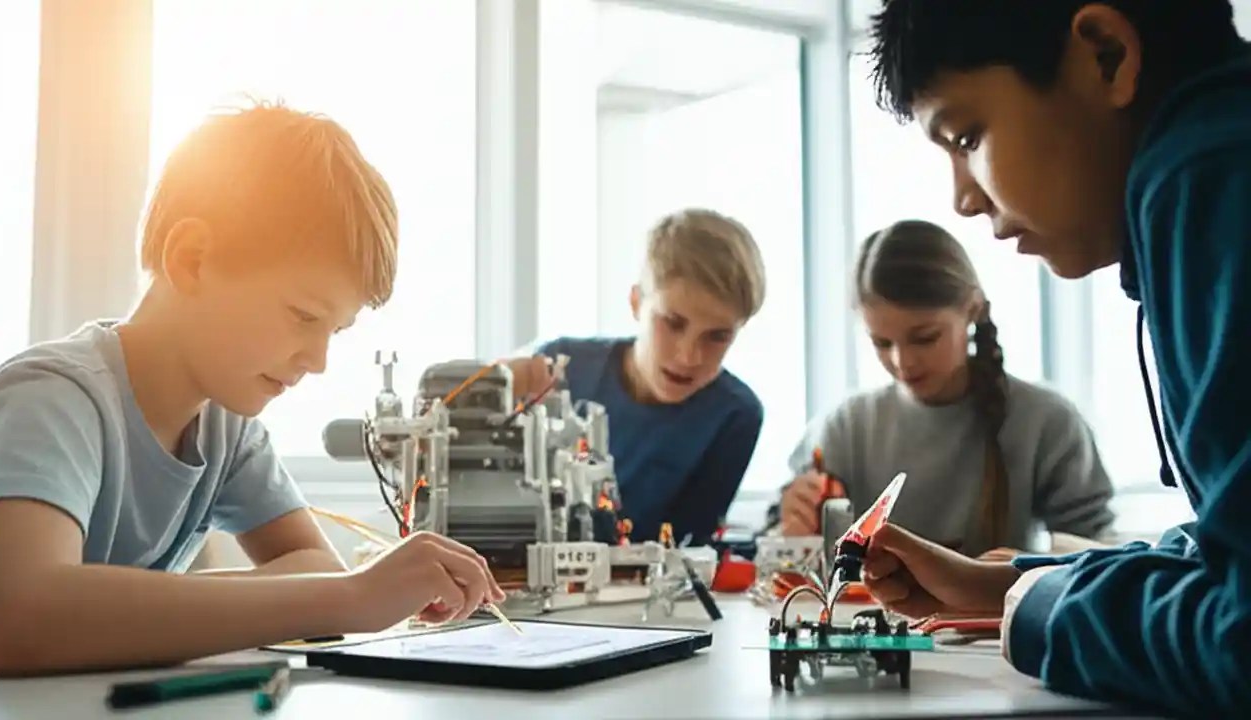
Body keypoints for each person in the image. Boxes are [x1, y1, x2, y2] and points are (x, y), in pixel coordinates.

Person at [0, 103, 503, 677]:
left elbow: (313, 563)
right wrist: (351, 597)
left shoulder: (226, 426)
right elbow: (18, 623)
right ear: (192, 260)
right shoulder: (49, 399)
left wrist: (114, 606)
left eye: (335, 331)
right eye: (302, 315)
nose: (318, 361)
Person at [856, 1, 1251, 714]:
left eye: (968, 135)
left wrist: (1045, 611)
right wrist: (1013, 583)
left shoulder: (1211, 175)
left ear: (1106, 55)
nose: (962, 200)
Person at [771, 220, 1114, 559]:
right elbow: (777, 538)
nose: (902, 362)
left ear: (972, 310)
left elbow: (1094, 551)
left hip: (999, 614)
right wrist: (792, 523)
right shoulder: (845, 426)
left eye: (925, 338)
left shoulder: (1046, 421)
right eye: (881, 343)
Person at [511, 209, 765, 545]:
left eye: (717, 337)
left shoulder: (735, 416)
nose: (688, 356)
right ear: (636, 303)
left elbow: (686, 547)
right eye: (673, 323)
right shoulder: (559, 368)